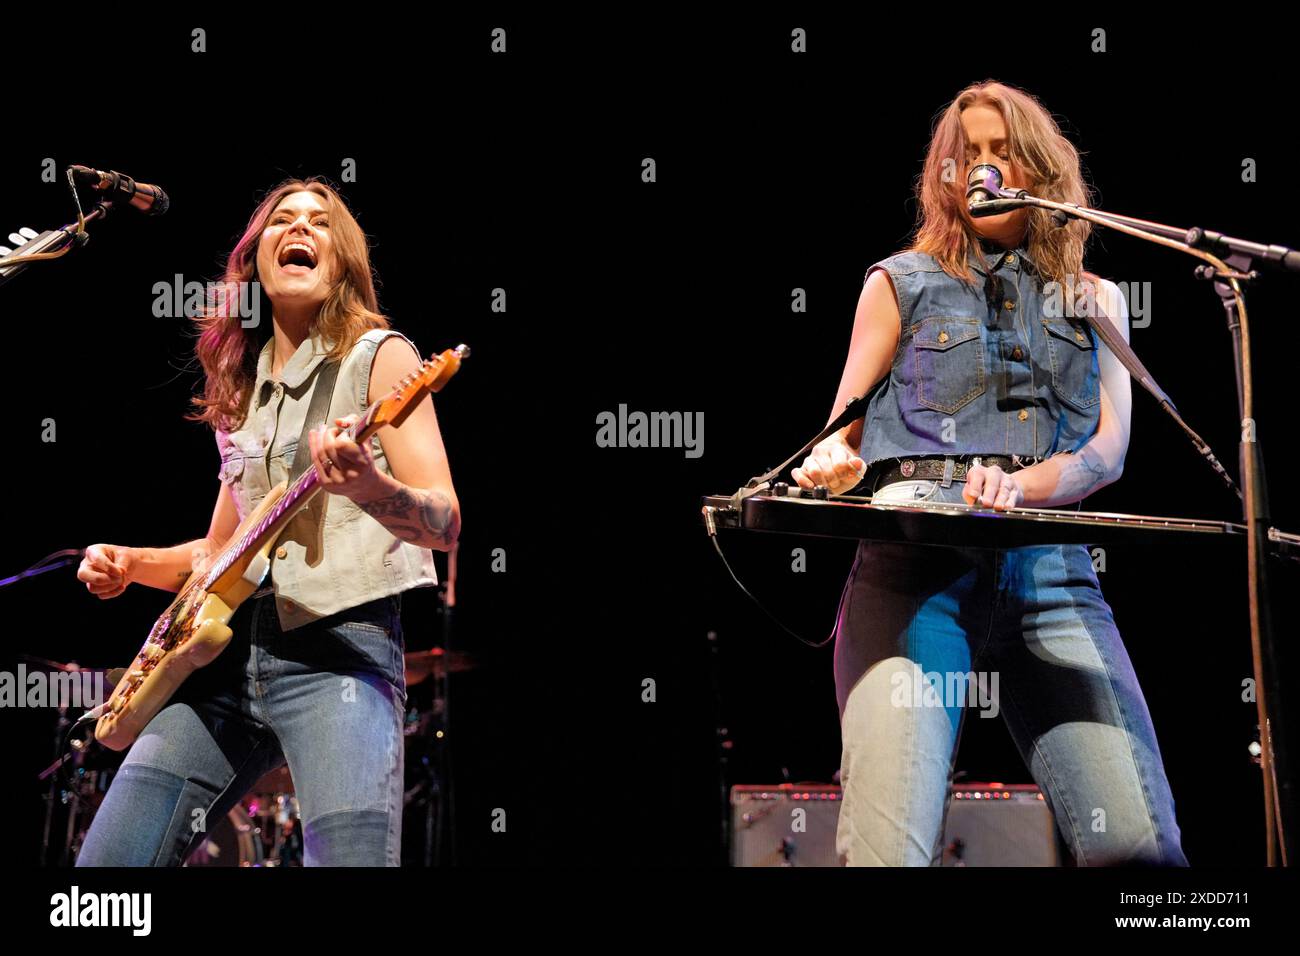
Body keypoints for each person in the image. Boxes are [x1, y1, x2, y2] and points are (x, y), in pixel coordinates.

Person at [793, 81, 1187, 866]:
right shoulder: (897, 282)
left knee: (1143, 854)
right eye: (964, 156)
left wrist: (1025, 486)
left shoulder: (1097, 299)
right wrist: (832, 457)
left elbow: (1107, 455)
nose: (981, 168)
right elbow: (843, 427)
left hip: (1051, 579)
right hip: (913, 572)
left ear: (1040, 171)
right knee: (884, 856)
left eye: (1001, 154)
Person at [75, 177, 460, 866]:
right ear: (254, 260)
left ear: (340, 259)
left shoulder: (381, 359)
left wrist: (371, 486)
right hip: (220, 663)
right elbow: (222, 555)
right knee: (107, 869)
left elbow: (445, 522)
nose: (301, 229)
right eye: (283, 220)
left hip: (339, 656)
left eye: (319, 222)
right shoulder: (242, 389)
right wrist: (132, 564)